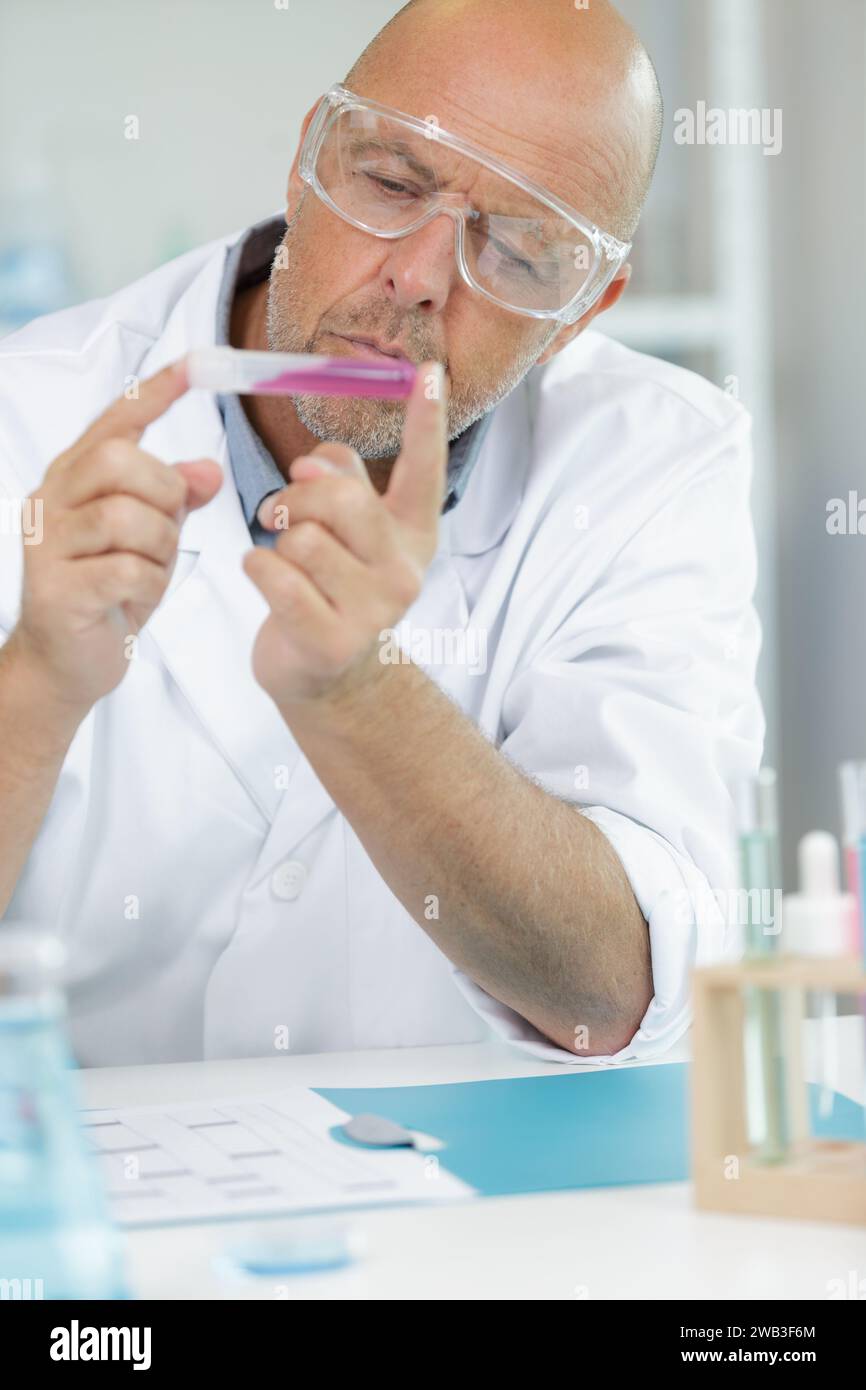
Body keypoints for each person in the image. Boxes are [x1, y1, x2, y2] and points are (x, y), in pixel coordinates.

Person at [0, 0, 763, 1066]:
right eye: (391, 185)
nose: (416, 276)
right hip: (70, 1187)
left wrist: (360, 690)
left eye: (524, 248)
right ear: (309, 157)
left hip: (456, 1200)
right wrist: (38, 678)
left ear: (583, 310)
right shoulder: (26, 418)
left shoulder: (649, 463)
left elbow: (614, 993)